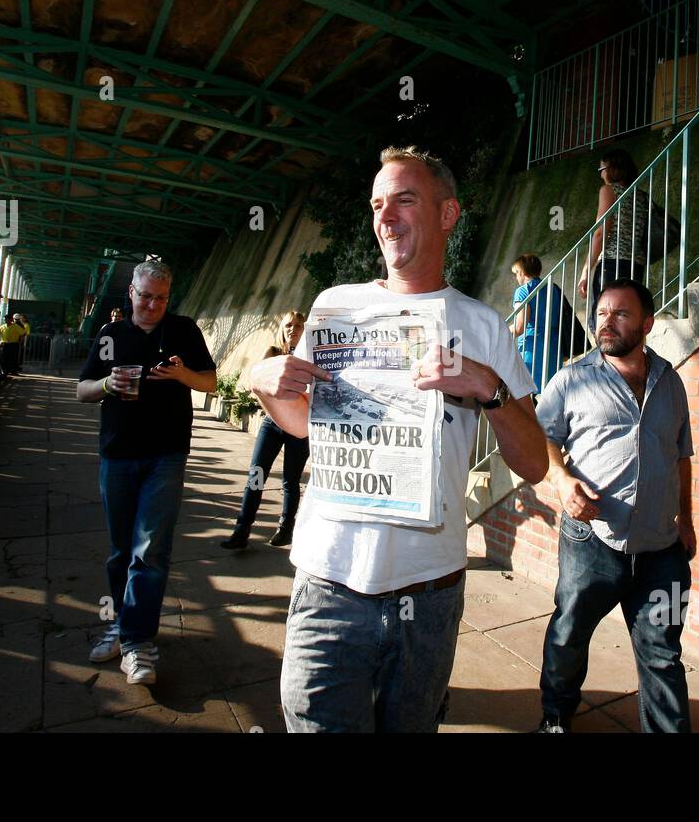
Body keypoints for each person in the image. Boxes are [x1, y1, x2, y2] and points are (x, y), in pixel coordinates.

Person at [251, 146, 548, 732]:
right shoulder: (336, 308)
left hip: (429, 596)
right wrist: (264, 382)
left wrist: (490, 389)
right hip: (329, 584)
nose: (386, 216)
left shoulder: (484, 325)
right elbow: (307, 423)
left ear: (446, 214)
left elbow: (535, 461)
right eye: (377, 205)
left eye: (404, 201)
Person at [534, 277, 697, 734]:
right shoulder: (572, 379)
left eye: (621, 313)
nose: (607, 321)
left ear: (647, 323)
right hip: (592, 542)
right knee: (569, 635)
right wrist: (563, 480)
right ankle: (556, 717)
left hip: (661, 547)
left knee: (663, 652)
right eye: (602, 312)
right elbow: (541, 436)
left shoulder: (671, 382)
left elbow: (681, 454)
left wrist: (686, 518)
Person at [77, 260, 217, 685]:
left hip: (166, 453)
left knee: (150, 548)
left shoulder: (184, 330)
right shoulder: (110, 335)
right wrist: (107, 386)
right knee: (122, 549)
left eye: (161, 298)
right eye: (145, 296)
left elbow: (210, 382)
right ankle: (121, 624)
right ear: (131, 294)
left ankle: (138, 642)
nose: (153, 305)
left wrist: (181, 374)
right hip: (117, 453)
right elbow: (82, 389)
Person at [221, 310, 312, 550]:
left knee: (290, 481)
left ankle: (285, 528)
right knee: (257, 475)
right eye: (289, 325)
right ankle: (242, 529)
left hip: (297, 429)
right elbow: (256, 385)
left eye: (299, 326)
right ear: (282, 328)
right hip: (272, 425)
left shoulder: (309, 358)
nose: (293, 329)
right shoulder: (272, 354)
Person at [577, 149, 675, 333]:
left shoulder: (609, 191)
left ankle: (606, 358)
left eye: (601, 170)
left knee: (602, 320)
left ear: (612, 169)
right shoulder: (641, 196)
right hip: (635, 264)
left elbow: (600, 232)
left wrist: (585, 271)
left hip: (612, 263)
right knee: (624, 316)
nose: (601, 175)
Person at [509, 254, 565, 394]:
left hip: (533, 346)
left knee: (525, 391)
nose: (516, 277)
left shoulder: (522, 291)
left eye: (516, 273)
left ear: (522, 272)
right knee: (554, 389)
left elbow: (519, 327)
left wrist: (502, 330)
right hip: (553, 343)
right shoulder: (551, 286)